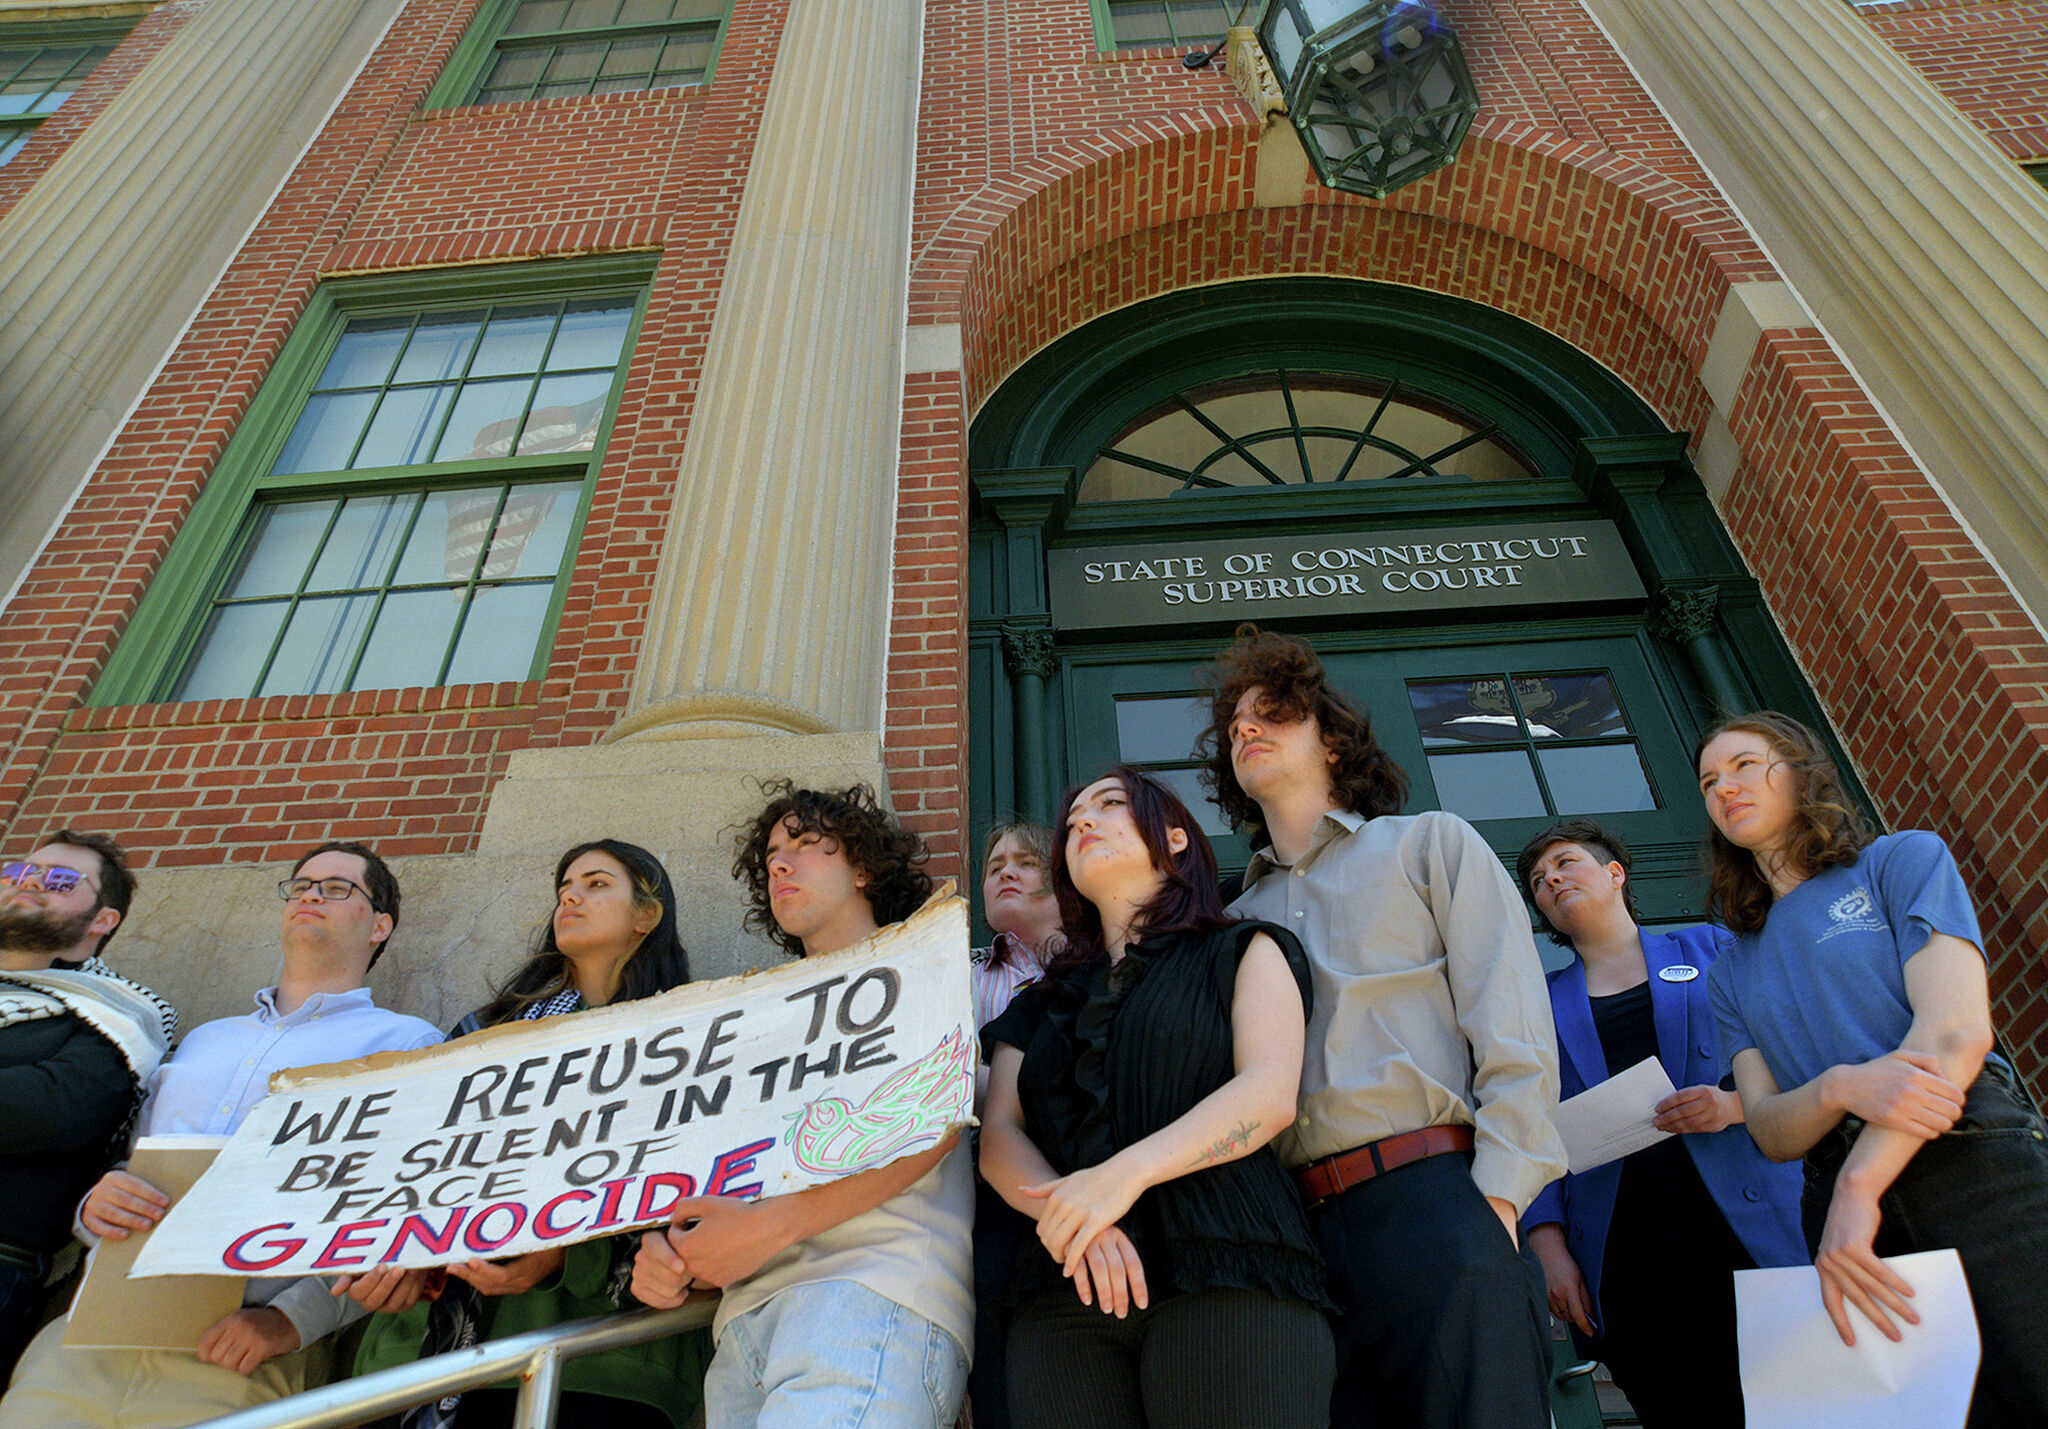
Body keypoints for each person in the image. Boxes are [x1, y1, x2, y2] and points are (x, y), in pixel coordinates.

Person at [1198, 625, 1565, 1429]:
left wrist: (1497, 1205)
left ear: (1332, 740)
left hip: (1437, 1202)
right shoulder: (1228, 920)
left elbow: (1514, 1026)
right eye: (1234, 729)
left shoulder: (1432, 845)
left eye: (1272, 714)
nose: (1246, 731)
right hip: (1293, 1240)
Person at [0, 842, 441, 1429]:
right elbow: (120, 1163)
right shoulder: (206, 1037)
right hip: (91, 1335)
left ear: (379, 925)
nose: (310, 894)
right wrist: (92, 1203)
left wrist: (291, 1321)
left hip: (242, 1351)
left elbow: (398, 1207)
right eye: (302, 884)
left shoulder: (409, 1044)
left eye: (337, 888)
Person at [1697, 712, 2048, 1427]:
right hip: (1833, 1206)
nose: (1724, 787)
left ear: (1801, 769)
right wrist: (1837, 1087)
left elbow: (1955, 1032)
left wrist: (1863, 1184)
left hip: (1966, 1155)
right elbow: (1768, 1127)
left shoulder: (1900, 861)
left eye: (1745, 764)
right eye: (1708, 780)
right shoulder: (1729, 970)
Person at [980, 768, 1334, 1429]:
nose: (1083, 820)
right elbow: (999, 1133)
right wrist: (1072, 1212)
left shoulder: (1243, 946)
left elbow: (1269, 1092)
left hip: (1229, 1261)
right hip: (1063, 1287)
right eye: (1074, 815)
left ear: (1174, 838)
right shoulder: (1039, 1003)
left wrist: (1118, 1178)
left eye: (1110, 804)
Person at [631, 781, 972, 1429]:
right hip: (740, 1325)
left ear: (864, 867)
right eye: (770, 856)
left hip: (870, 1299)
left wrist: (773, 1226)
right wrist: (676, 1258)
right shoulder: (756, 1021)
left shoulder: (920, 962)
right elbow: (728, 1180)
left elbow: (936, 1126)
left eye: (806, 846)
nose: (779, 863)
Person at [346, 840, 711, 1429]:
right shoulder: (476, 1035)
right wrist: (398, 1261)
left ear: (647, 914)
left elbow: (697, 1186)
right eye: (565, 885)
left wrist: (563, 1256)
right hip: (422, 1353)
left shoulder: (695, 1034)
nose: (571, 894)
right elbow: (408, 1166)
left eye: (596, 883)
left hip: (600, 1362)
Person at [1515, 820, 1805, 1427]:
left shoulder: (1710, 945)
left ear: (1615, 873)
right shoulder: (1535, 1005)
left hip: (1746, 1213)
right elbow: (1526, 1125)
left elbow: (1793, 1043)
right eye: (1539, 882)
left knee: (1806, 1398)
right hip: (1628, 1246)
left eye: (1566, 863)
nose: (1552, 880)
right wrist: (1546, 1241)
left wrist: (1733, 1106)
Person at [0, 832, 176, 1380]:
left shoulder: (119, 1016)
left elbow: (46, 1111)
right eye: (18, 871)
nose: (30, 881)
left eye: (61, 880)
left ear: (104, 920)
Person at [968, 821, 1059, 1429]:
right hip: (994, 1198)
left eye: (1025, 861)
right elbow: (933, 1078)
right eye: (995, 863)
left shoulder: (1103, 959)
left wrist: (986, 1078)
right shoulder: (963, 973)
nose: (1005, 870)